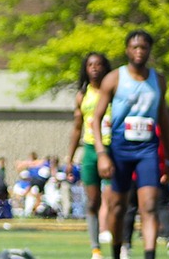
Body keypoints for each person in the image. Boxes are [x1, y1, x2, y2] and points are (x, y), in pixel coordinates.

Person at [93, 31, 168, 259]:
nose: (139, 52)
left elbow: (164, 119)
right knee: (118, 207)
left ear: (149, 50)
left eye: (143, 47)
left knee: (150, 206)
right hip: (120, 149)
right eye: (134, 47)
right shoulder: (114, 78)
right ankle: (117, 253)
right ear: (127, 50)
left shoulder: (158, 80)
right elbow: (95, 118)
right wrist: (102, 154)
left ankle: (149, 256)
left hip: (147, 149)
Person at [70, 53, 115, 258]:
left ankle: (120, 243)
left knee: (117, 200)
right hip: (90, 149)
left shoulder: (114, 91)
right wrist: (69, 158)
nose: (95, 68)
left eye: (99, 64)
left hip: (113, 147)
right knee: (93, 201)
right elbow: (77, 128)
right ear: (85, 69)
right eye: (90, 65)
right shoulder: (82, 95)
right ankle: (95, 247)